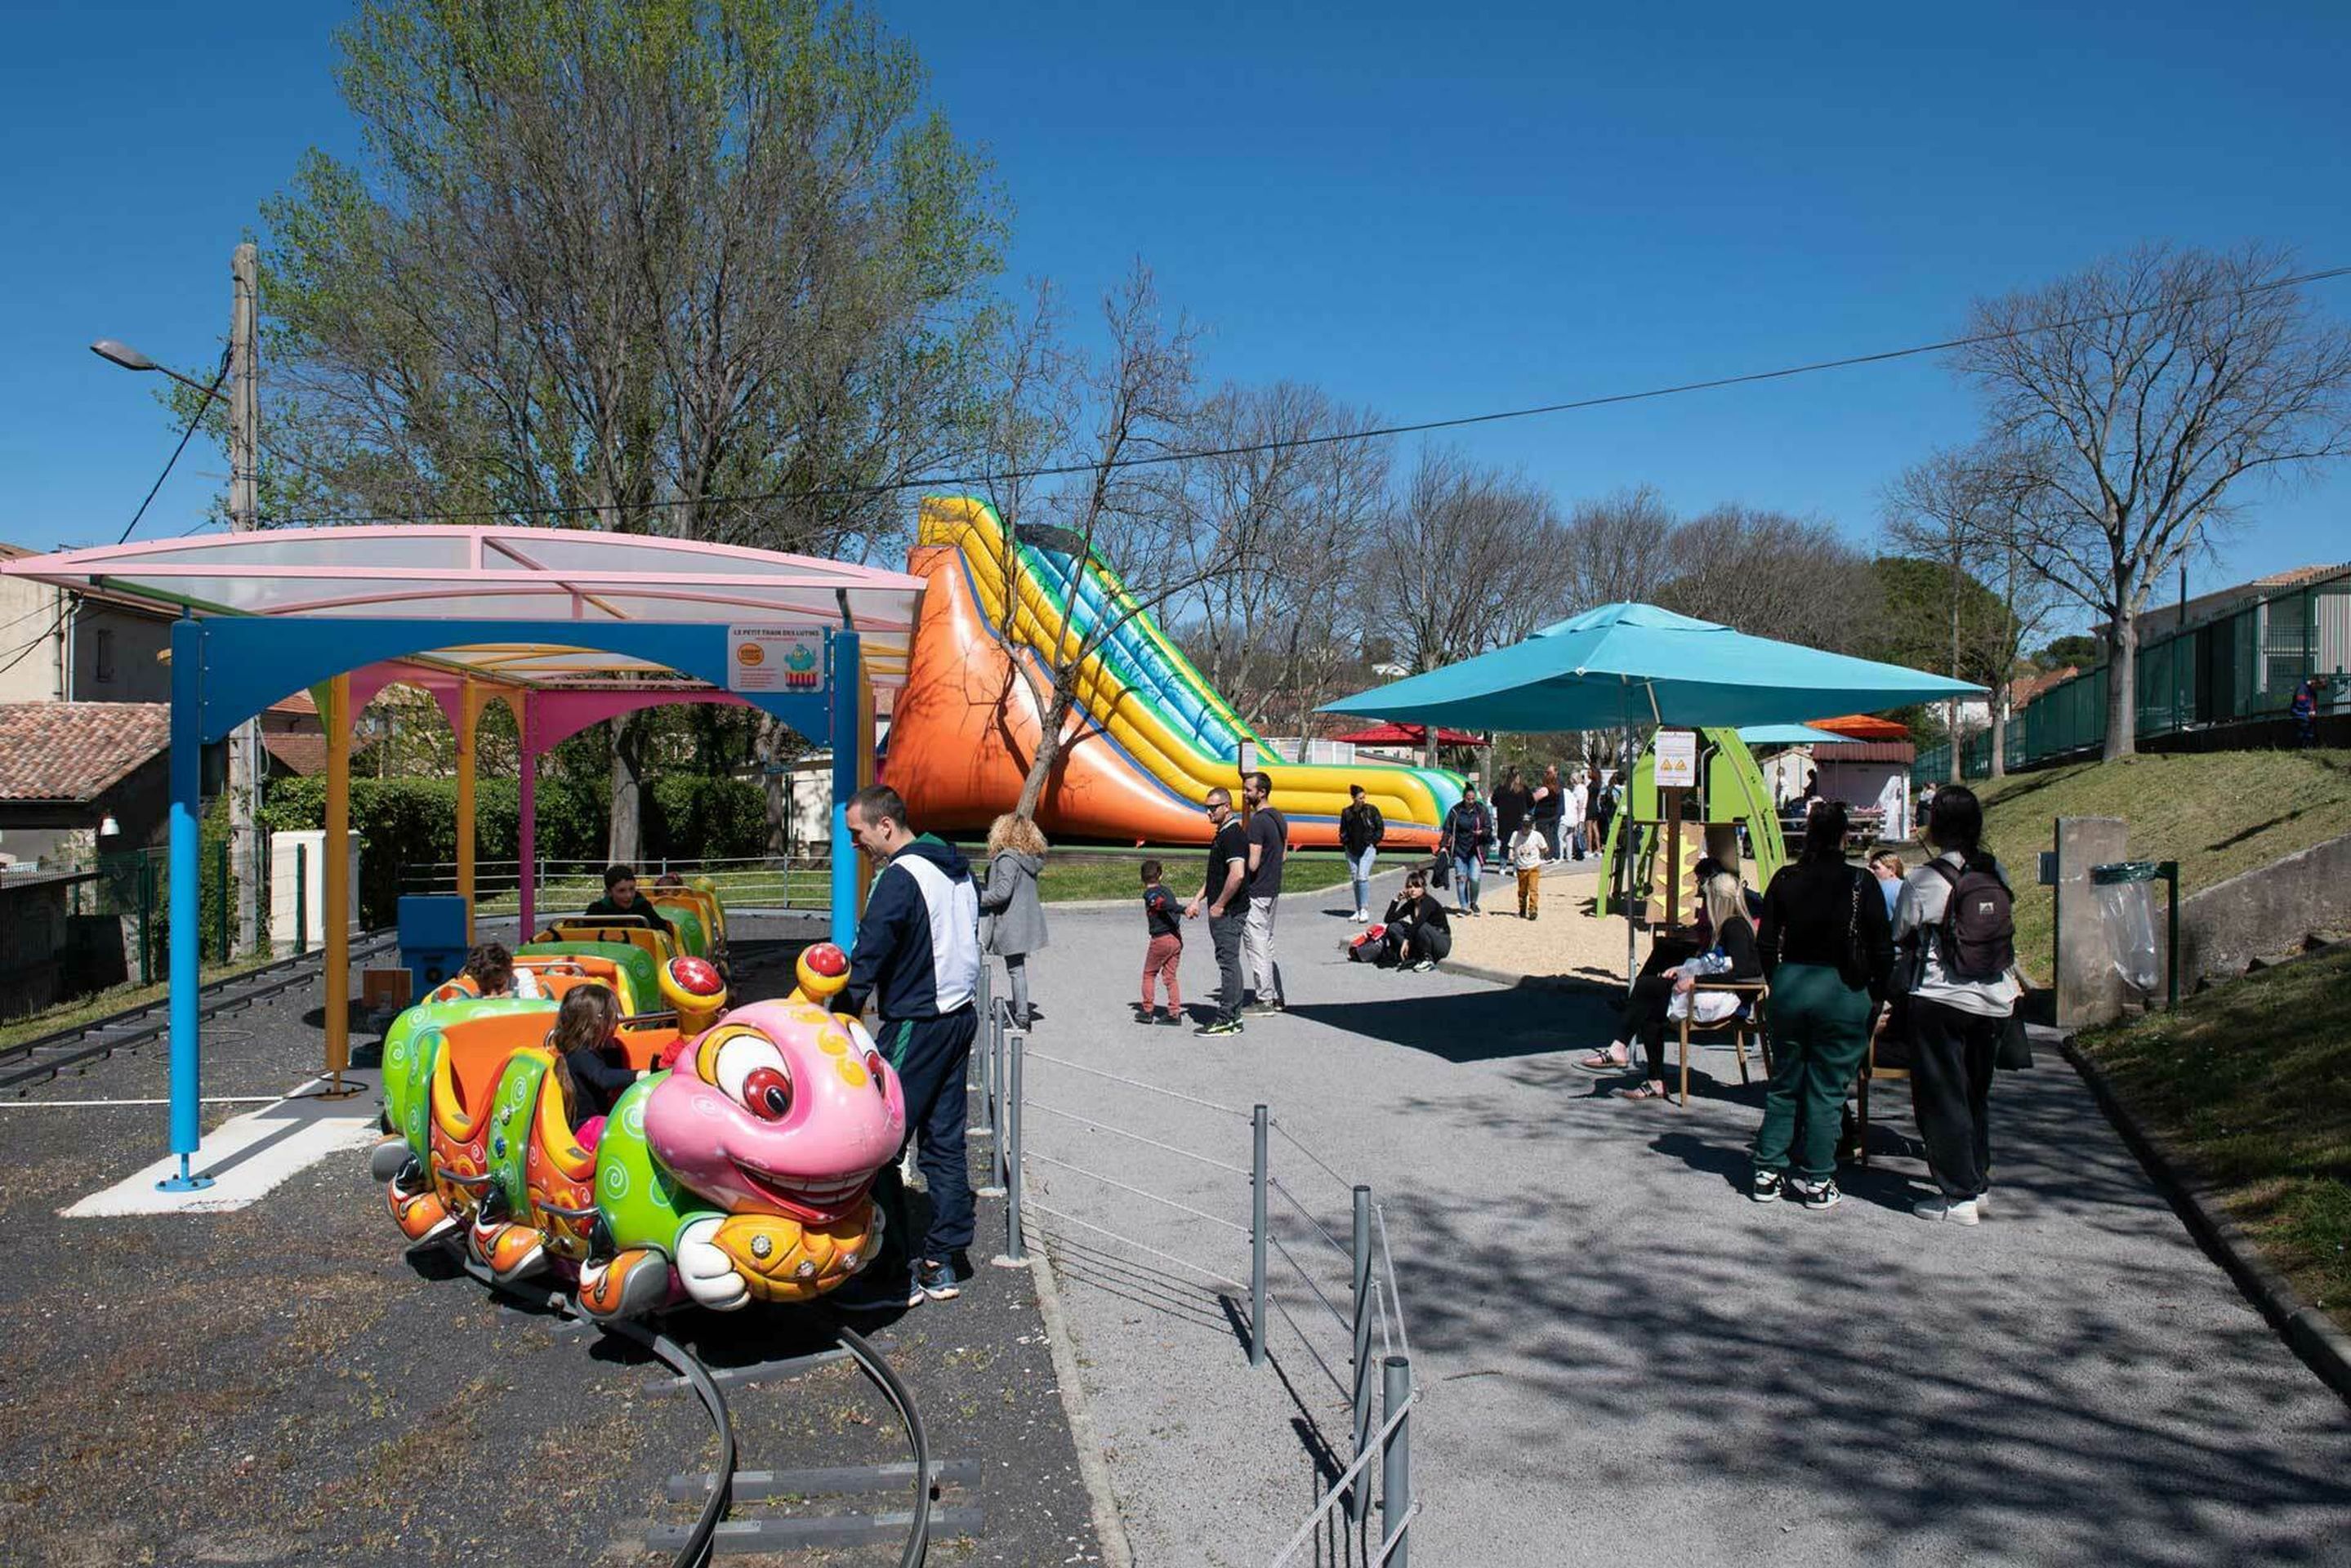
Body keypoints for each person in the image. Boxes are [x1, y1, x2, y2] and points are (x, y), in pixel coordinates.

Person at [831, 784, 982, 1309]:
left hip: (918, 1023)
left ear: (886, 827)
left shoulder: (900, 877)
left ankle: (893, 1274)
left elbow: (868, 956)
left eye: (859, 833)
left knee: (880, 1145)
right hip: (959, 1017)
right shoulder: (957, 869)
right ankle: (944, 1258)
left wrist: (833, 1017)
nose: (857, 844)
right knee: (943, 1142)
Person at [1748, 801, 1894, 1209]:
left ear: (1808, 833)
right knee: (1827, 1089)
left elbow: (1766, 941)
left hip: (1792, 983)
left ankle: (1767, 1170)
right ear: (1845, 837)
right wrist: (1879, 994)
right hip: (1842, 989)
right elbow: (1883, 947)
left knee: (1784, 1084)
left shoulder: (1786, 878)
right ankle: (1817, 1178)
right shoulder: (1861, 883)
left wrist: (1777, 979)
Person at [1894, 784, 2020, 1225]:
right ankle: (1977, 1180)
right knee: (1974, 1094)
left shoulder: (1925, 878)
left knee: (1941, 1098)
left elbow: (1901, 931)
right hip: (1994, 1000)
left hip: (1941, 997)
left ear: (1936, 825)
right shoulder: (1996, 870)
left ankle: (1957, 1195)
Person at [1583, 872, 1760, 1102]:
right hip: (1716, 990)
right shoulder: (1731, 925)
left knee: (1647, 985)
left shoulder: (1734, 926)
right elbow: (1719, 964)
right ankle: (1654, 1080)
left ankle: (1619, 1047)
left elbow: (1746, 972)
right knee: (1650, 1012)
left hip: (1725, 998)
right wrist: (1684, 970)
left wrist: (1694, 981)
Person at [1186, 788, 1251, 1036]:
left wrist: (1220, 904)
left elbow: (1238, 874)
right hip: (1223, 910)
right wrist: (1197, 900)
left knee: (1228, 963)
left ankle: (1228, 1018)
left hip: (1230, 912)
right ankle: (1232, 1017)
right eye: (1207, 807)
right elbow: (1217, 876)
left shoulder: (1233, 836)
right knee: (1228, 962)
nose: (1209, 812)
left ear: (1228, 807)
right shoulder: (1222, 834)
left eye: (1214, 807)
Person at [977, 813, 1049, 1030]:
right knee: (1017, 969)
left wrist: (976, 896)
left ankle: (1021, 1018)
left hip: (1010, 921)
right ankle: (1023, 1015)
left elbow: (1001, 893)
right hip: (1023, 921)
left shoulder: (1008, 858)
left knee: (1014, 969)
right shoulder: (1028, 859)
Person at [546, 984, 639, 1152]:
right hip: (585, 1128)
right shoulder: (579, 1053)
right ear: (597, 1021)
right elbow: (604, 1078)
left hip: (597, 1123)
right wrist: (643, 1075)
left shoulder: (598, 1050)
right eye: (613, 1016)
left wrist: (609, 1042)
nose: (617, 1021)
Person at [1239, 771, 1288, 1014]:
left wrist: (1240, 861)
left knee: (1256, 944)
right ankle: (1277, 995)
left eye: (1248, 790)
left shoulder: (1258, 822)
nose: (1244, 794)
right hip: (1273, 888)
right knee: (1267, 943)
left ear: (1262, 792)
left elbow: (1252, 864)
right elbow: (1284, 854)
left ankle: (1264, 999)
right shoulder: (1278, 816)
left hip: (1257, 891)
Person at [1137, 859, 1184, 1025]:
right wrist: (1181, 910)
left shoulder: (1150, 895)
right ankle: (1174, 1013)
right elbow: (1172, 906)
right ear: (1161, 875)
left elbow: (1163, 906)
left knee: (1149, 974)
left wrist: (1184, 910)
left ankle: (1147, 1011)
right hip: (1176, 938)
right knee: (1170, 977)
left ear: (1142, 878)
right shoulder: (1168, 891)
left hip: (1161, 939)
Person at [1379, 870, 1452, 970]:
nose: (1412, 890)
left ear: (1423, 888)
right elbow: (1389, 919)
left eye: (1416, 887)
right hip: (1423, 940)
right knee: (1394, 927)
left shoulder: (1429, 902)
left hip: (1441, 942)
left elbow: (1418, 923)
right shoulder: (1411, 904)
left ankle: (1427, 960)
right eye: (1409, 887)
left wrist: (1406, 941)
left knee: (1421, 926)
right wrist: (1396, 900)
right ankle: (1411, 956)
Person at [586, 863, 676, 942]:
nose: (629, 895)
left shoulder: (643, 906)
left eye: (632, 889)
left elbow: (664, 933)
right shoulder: (596, 910)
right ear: (609, 892)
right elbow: (584, 936)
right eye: (621, 891)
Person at [1439, 788, 1494, 915]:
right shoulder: (1455, 811)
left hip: (1476, 848)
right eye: (1468, 799)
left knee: (1474, 878)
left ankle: (1473, 903)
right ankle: (1464, 906)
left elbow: (1488, 828)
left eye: (1473, 799)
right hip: (1460, 848)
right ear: (1464, 798)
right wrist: (1443, 845)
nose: (1470, 801)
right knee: (1461, 878)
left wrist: (1482, 832)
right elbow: (1447, 829)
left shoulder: (1481, 810)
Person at [1339, 784, 1385, 923]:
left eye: (1364, 797)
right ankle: (1358, 909)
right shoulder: (1347, 812)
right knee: (1355, 879)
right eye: (1360, 798)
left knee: (1362, 877)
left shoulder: (1371, 810)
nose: (1362, 800)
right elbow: (1343, 829)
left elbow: (1380, 827)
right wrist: (1344, 840)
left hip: (1367, 848)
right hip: (1352, 849)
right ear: (1353, 798)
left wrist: (1373, 841)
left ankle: (1364, 909)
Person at [462, 941, 544, 1000]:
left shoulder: (522, 977)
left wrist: (517, 999)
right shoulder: (480, 987)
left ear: (510, 972)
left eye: (499, 986)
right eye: (485, 990)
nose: (493, 995)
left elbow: (535, 1001)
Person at [1508, 813, 1549, 920]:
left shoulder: (1537, 835)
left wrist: (1544, 851)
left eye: (1529, 826)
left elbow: (1544, 847)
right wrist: (1511, 855)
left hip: (1534, 866)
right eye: (1524, 826)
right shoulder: (1515, 835)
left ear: (1533, 825)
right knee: (1522, 890)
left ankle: (1533, 909)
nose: (1526, 829)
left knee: (1533, 889)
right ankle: (1522, 908)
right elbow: (1511, 846)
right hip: (1521, 866)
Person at [1492, 768, 1533, 862]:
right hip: (1519, 820)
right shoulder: (1524, 789)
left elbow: (1493, 801)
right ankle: (1516, 865)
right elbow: (1531, 803)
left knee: (1505, 843)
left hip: (1504, 820)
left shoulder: (1501, 789)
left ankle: (1502, 866)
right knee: (1518, 843)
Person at [1530, 765, 1567, 866]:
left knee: (1544, 836)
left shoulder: (1544, 790)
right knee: (1552, 836)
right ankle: (1554, 855)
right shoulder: (1557, 790)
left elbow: (1532, 799)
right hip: (1553, 815)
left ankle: (1546, 856)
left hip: (1543, 816)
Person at [2291, 673, 2329, 747]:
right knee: (2305, 730)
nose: (2319, 689)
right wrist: (2309, 711)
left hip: (2309, 716)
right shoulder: (2302, 689)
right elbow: (2300, 703)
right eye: (2319, 687)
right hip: (2301, 715)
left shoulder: (2313, 691)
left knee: (2311, 731)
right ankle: (2303, 746)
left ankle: (2309, 745)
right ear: (2315, 682)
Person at [1867, 849, 1906, 917]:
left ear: (1892, 870)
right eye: (1870, 867)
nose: (1871, 871)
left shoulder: (1880, 890)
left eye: (1875, 868)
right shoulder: (1908, 887)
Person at [1584, 769, 1608, 857]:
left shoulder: (1591, 785)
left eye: (1589, 772)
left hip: (1589, 807)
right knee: (1595, 828)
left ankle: (1589, 849)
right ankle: (1598, 848)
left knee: (1589, 829)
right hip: (1595, 807)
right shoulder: (1598, 784)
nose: (1587, 774)